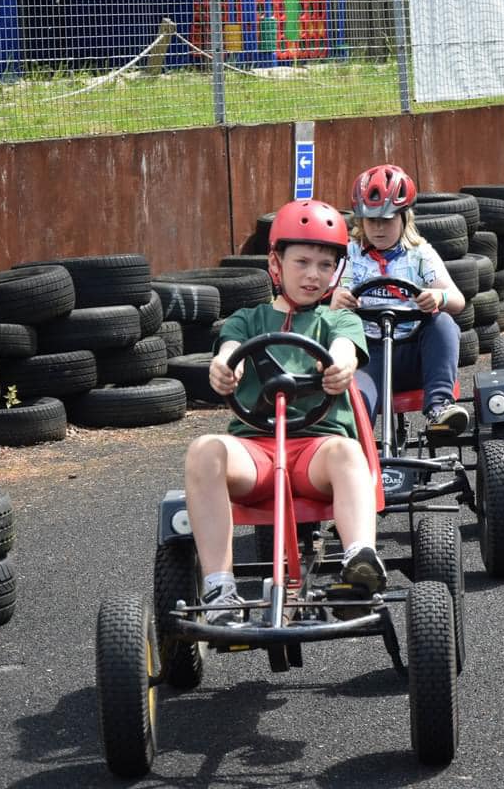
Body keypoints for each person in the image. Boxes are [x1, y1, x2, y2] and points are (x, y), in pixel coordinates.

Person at [183, 199, 385, 624]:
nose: (313, 275)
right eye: (302, 262)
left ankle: (358, 563)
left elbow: (346, 351)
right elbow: (229, 350)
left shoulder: (337, 323)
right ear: (276, 262)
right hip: (255, 452)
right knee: (204, 448)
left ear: (336, 272)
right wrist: (223, 367)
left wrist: (339, 364)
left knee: (349, 452)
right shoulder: (248, 318)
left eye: (325, 265)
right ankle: (220, 589)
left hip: (316, 452)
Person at [331, 163, 470, 433]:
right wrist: (337, 300)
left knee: (442, 323)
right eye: (372, 220)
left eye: (387, 220)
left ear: (404, 218)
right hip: (367, 354)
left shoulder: (419, 254)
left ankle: (439, 407)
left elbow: (457, 299)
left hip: (413, 353)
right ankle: (355, 446)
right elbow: (332, 298)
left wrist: (437, 297)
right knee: (355, 408)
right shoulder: (350, 254)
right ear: (361, 220)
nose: (379, 228)